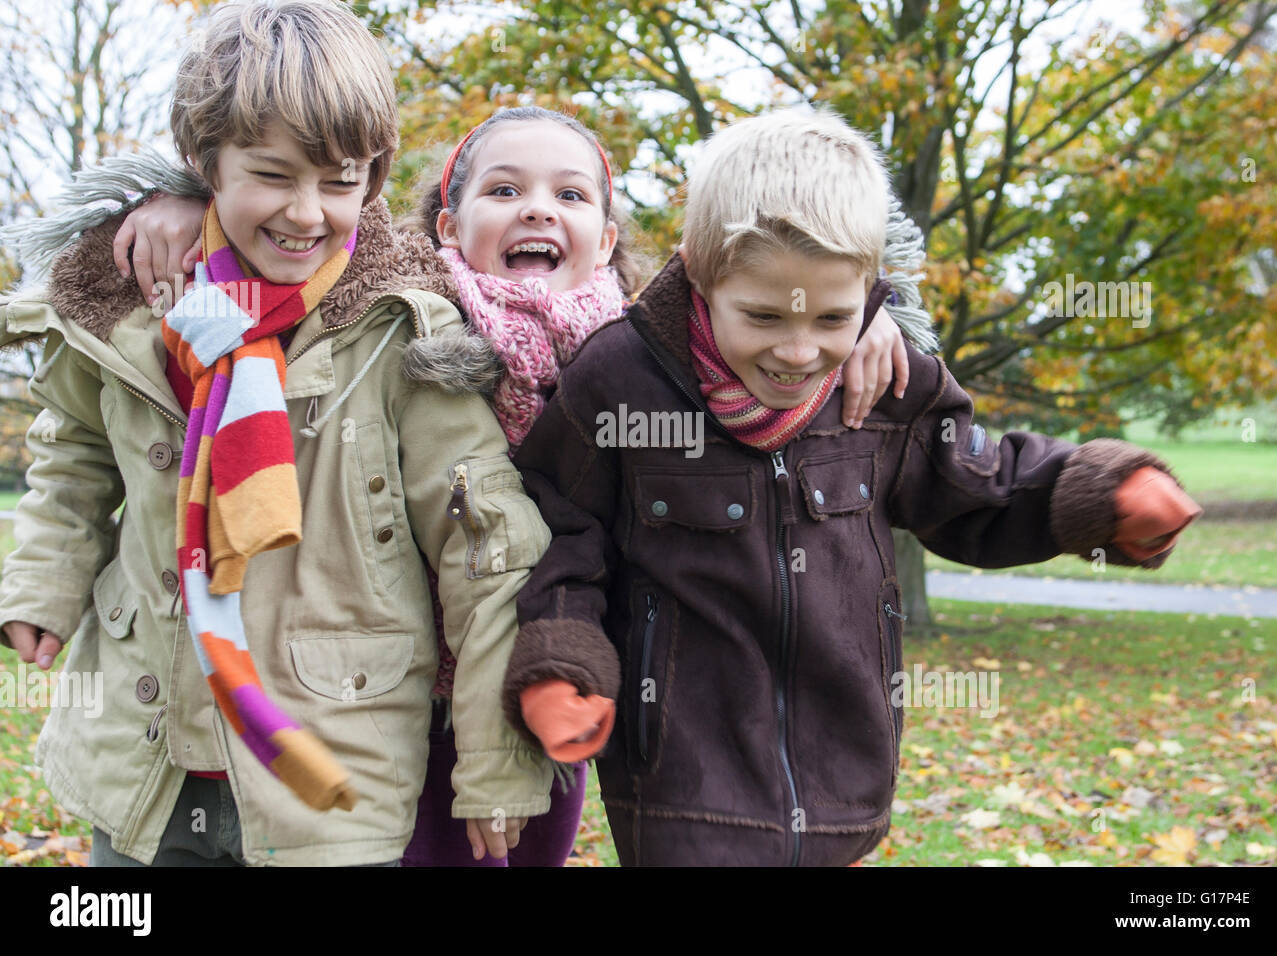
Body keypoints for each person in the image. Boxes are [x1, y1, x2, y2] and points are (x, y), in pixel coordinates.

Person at [76, 104, 937, 864]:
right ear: (445, 229)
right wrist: (180, 206)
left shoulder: (660, 357)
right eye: (504, 190)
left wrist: (874, 317)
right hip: (394, 692)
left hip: (555, 680)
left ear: (606, 239)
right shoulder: (391, 317)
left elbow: (776, 279)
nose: (537, 208)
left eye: (571, 195)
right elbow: (287, 226)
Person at [498, 107, 1205, 866]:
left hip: (844, 785)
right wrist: (562, 660)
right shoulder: (620, 379)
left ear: (872, 291)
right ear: (700, 275)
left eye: (834, 316)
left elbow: (974, 482)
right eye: (763, 315)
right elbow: (559, 528)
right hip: (681, 788)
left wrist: (1098, 500)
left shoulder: (885, 380)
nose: (799, 351)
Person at [0, 0, 553, 866]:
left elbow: (485, 548)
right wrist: (40, 584)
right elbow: (72, 452)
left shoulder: (404, 336)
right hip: (143, 764)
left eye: (341, 181)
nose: (306, 213)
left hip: (326, 781)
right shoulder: (124, 308)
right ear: (201, 166)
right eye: (273, 174)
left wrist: (495, 760)